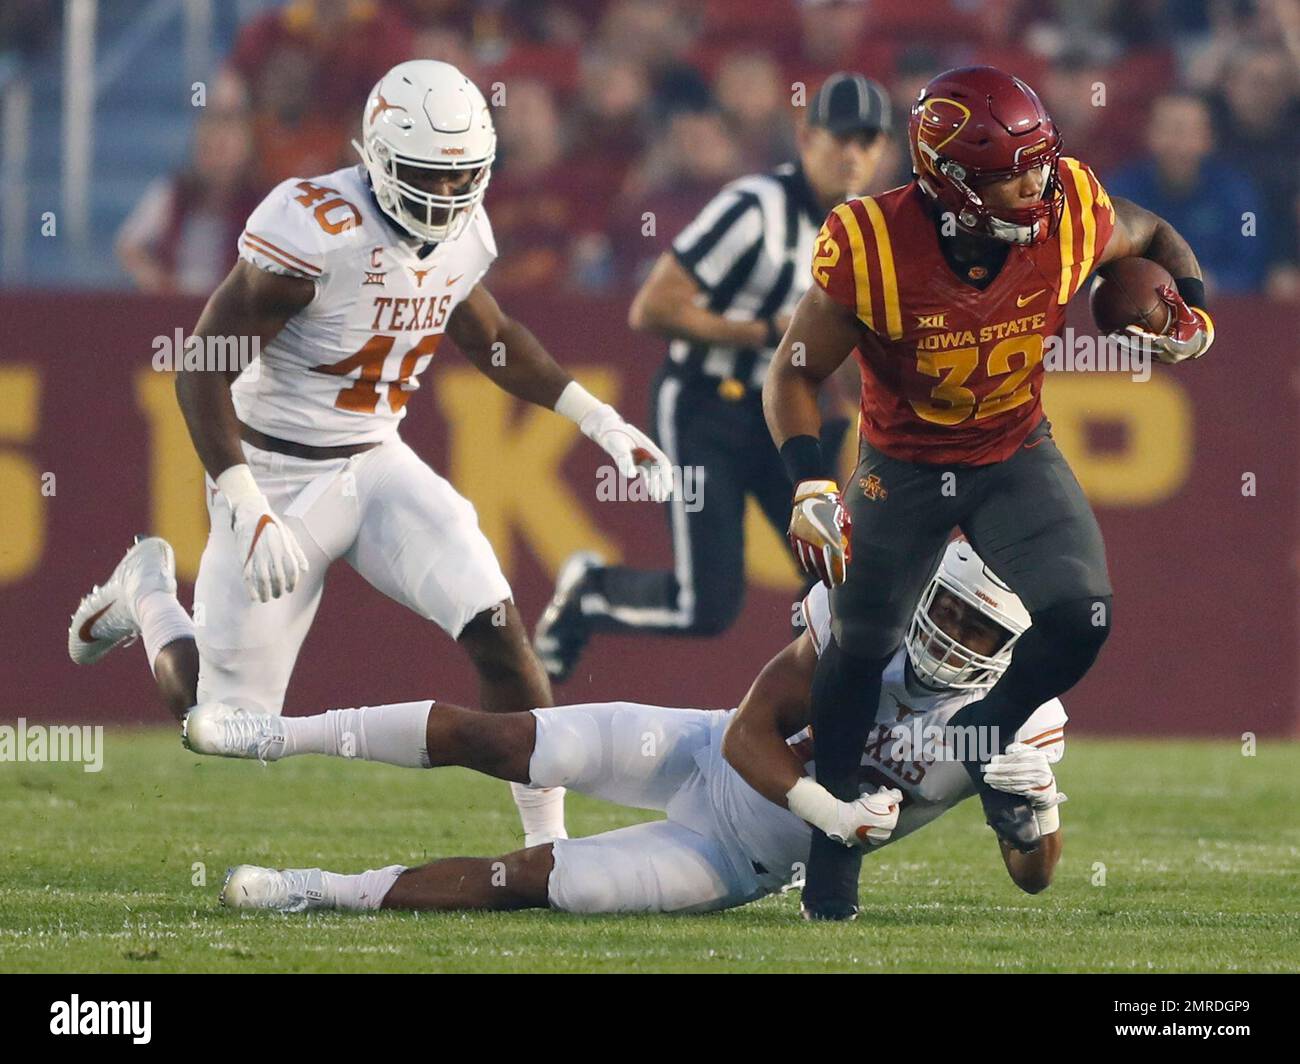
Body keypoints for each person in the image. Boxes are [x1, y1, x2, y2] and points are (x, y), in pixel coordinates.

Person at [67, 61, 673, 849]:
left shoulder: (463, 234)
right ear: (380, 159)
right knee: (218, 728)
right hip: (274, 469)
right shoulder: (314, 228)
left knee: (495, 623)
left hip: (374, 460)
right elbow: (201, 369)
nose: (448, 199)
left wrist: (596, 417)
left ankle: (547, 850)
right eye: (430, 176)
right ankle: (147, 593)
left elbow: (489, 337)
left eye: (463, 179)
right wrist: (246, 504)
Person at [763, 66, 1216, 919]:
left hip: (1013, 449)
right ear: (954, 184)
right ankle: (833, 853)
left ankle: (983, 736)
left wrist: (1188, 308)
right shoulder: (872, 242)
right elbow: (790, 374)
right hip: (899, 464)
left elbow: (1150, 232)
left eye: (1042, 160)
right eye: (1016, 170)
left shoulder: (1069, 210)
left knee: (1082, 615)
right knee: (858, 647)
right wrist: (809, 482)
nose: (1038, 182)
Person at [185, 540, 1069, 916]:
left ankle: (311, 887)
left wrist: (1029, 820)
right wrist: (831, 814)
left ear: (1021, 647)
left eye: (985, 631)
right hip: (700, 751)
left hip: (736, 860)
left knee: (528, 880)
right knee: (505, 738)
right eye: (952, 611)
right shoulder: (863, 624)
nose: (956, 637)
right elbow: (747, 733)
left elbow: (1032, 879)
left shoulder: (1020, 724)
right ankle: (272, 730)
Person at [534, 73, 891, 682]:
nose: (853, 154)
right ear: (807, 137)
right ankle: (591, 592)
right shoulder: (755, 208)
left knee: (841, 581)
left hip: (790, 417)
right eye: (841, 138)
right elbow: (654, 308)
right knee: (706, 605)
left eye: (867, 140)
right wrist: (762, 331)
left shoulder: (870, 229)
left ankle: (823, 728)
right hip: (707, 406)